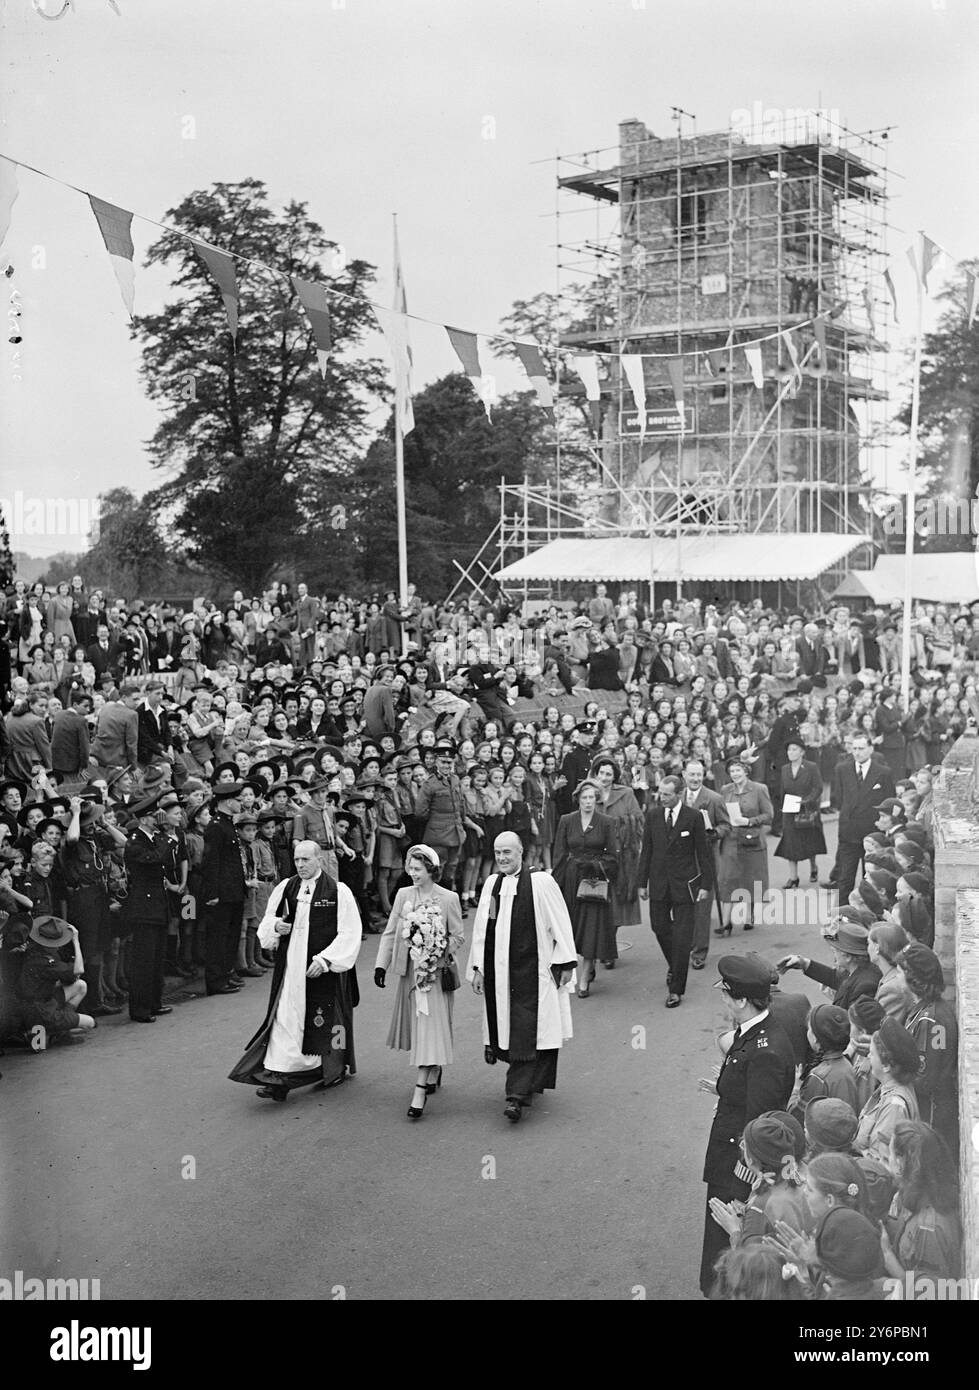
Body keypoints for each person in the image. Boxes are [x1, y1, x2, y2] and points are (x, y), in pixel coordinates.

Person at [228, 840, 362, 1101]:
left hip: (321, 968)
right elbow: (268, 920)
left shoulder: (338, 890)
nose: (300, 865)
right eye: (297, 860)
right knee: (286, 1017)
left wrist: (325, 960)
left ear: (319, 860)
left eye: (306, 860)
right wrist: (276, 927)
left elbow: (350, 932)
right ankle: (279, 1076)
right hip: (291, 967)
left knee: (325, 1019)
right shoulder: (286, 887)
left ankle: (329, 1069)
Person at [698, 955, 796, 1296]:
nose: (723, 999)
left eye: (726, 994)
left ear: (741, 1000)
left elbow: (758, 1125)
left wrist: (745, 1185)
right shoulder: (755, 1034)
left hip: (736, 1169)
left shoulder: (764, 1050)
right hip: (729, 1155)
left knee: (727, 1253)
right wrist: (723, 1087)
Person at [467, 831, 577, 1124]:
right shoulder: (492, 883)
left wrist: (565, 961)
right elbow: (481, 930)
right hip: (500, 975)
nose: (502, 858)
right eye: (498, 852)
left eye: (508, 852)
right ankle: (530, 1084)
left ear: (521, 853)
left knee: (531, 1028)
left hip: (534, 972)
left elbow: (560, 922)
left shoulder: (540, 882)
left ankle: (515, 1096)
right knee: (515, 1029)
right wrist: (478, 968)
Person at [374, 844, 464, 1119]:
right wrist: (381, 964)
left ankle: (419, 1091)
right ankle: (433, 1067)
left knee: (429, 1025)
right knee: (421, 1027)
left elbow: (458, 936)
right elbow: (390, 933)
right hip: (410, 971)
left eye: (417, 869)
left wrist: (438, 946)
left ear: (431, 870)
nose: (412, 873)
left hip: (435, 973)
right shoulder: (403, 895)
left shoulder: (448, 898)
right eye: (409, 868)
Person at [638, 774, 713, 1007]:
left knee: (682, 937)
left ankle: (676, 989)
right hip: (659, 883)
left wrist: (705, 886)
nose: (662, 798)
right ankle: (676, 964)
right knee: (659, 927)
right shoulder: (653, 816)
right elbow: (646, 851)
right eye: (661, 793)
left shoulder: (693, 818)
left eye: (668, 794)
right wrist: (642, 882)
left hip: (685, 885)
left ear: (679, 794)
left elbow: (704, 853)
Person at [551, 779, 618, 997]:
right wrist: (556, 883)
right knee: (569, 925)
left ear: (597, 799)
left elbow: (613, 855)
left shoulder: (606, 822)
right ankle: (571, 968)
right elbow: (559, 853)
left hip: (593, 881)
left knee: (591, 927)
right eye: (584, 798)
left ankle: (585, 975)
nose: (588, 802)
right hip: (571, 878)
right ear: (578, 799)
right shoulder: (567, 820)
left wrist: (596, 865)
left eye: (592, 798)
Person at [880, 1120, 961, 1288]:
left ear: (902, 1163)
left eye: (888, 1157)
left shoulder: (929, 1229)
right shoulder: (923, 1193)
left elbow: (929, 1292)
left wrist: (887, 1255)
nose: (885, 1162)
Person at [895, 941, 959, 1156]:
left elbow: (926, 1078)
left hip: (931, 1114)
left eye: (900, 970)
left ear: (913, 976)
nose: (896, 974)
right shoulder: (924, 1009)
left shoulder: (933, 1021)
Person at [122, 787, 174, 1024]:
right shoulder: (135, 841)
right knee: (143, 960)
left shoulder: (152, 839)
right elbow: (154, 859)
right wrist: (165, 833)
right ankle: (140, 1008)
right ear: (144, 819)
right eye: (155, 816)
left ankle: (154, 1001)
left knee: (156, 958)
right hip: (144, 906)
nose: (159, 819)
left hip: (157, 905)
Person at [829, 732, 896, 902]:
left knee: (871, 880)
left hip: (872, 835)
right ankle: (840, 919)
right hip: (848, 833)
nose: (857, 752)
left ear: (870, 749)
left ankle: (870, 918)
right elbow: (837, 798)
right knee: (845, 880)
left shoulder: (883, 772)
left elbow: (889, 802)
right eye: (854, 748)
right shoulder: (842, 769)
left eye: (861, 748)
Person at [680, 757, 730, 971]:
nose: (695, 778)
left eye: (698, 774)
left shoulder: (714, 798)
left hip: (705, 861)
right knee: (684, 907)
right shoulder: (676, 797)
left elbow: (726, 826)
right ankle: (687, 945)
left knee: (702, 908)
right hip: (682, 861)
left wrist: (713, 833)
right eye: (691, 774)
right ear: (684, 775)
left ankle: (699, 952)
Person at [200, 783, 248, 996]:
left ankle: (225, 974)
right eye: (238, 800)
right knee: (218, 938)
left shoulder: (227, 824)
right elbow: (212, 861)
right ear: (228, 801)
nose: (241, 803)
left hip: (233, 890)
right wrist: (212, 893)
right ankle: (215, 980)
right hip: (222, 892)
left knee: (230, 935)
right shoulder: (216, 826)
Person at [715, 757, 772, 935]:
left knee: (751, 877)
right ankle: (726, 922)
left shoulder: (759, 789)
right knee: (727, 878)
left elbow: (768, 815)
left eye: (738, 770)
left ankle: (749, 916)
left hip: (752, 838)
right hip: (731, 839)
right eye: (732, 771)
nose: (735, 774)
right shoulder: (725, 790)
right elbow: (720, 812)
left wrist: (748, 821)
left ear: (746, 771)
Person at [854, 1018, 921, 1163]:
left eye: (872, 1053)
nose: (869, 1057)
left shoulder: (893, 1106)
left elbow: (883, 1165)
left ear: (886, 1066)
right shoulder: (890, 1086)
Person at [777, 923, 881, 1012]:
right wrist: (804, 963)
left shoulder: (865, 986)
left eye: (834, 951)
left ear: (848, 957)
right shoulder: (858, 969)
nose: (834, 956)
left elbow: (853, 1024)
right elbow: (837, 979)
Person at [773, 736, 825, 887]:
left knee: (810, 841)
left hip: (807, 809)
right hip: (789, 811)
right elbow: (783, 790)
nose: (790, 752)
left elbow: (818, 787)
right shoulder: (784, 769)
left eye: (794, 749)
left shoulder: (811, 767)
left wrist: (807, 801)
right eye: (789, 749)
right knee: (790, 842)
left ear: (802, 752)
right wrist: (783, 808)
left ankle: (813, 867)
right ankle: (793, 877)